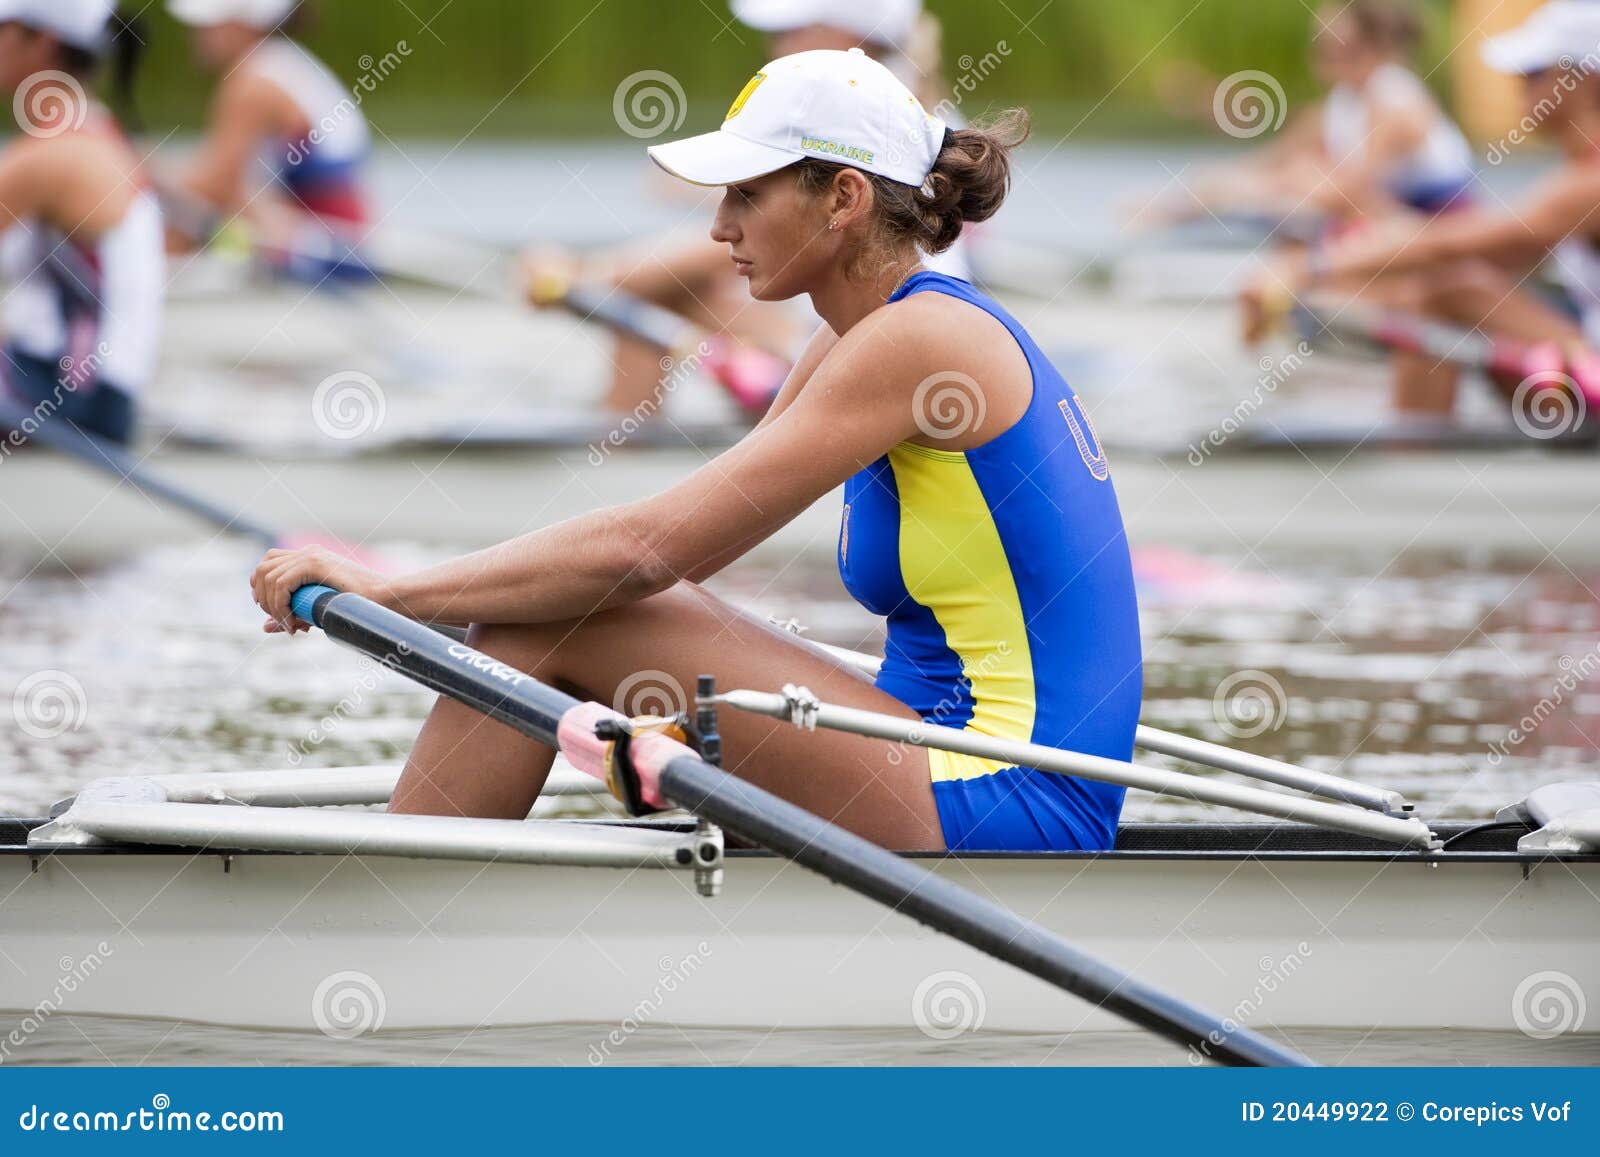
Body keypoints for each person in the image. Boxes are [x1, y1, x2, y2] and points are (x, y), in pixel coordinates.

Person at [251, 49, 1144, 853]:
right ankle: (420, 879)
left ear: (844, 199)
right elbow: (694, 541)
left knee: (561, 617)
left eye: (746, 195)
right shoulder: (854, 336)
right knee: (559, 611)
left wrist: (394, 592)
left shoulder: (922, 340)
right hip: (923, 737)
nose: (720, 227)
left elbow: (645, 555)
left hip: (1012, 786)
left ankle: (399, 908)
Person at [527, 0, 972, 418]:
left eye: (787, 32)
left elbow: (734, 245)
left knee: (661, 288)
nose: (774, 48)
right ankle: (624, 431)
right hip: (839, 330)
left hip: (869, 348)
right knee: (672, 286)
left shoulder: (861, 123)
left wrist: (576, 276)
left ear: (842, 34)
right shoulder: (910, 117)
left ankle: (620, 435)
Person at [1242, 0, 1600, 416]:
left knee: (1449, 293)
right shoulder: (1576, 173)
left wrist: (1309, 269)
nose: (1518, 83)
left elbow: (1447, 244)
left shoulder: (1587, 185)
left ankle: (1414, 444)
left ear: (1588, 80)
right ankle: (1421, 432)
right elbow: (1489, 254)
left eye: (1535, 72)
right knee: (1451, 288)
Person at [0, 0, 162, 447]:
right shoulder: (97, 128)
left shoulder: (54, 155)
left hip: (70, 402)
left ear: (43, 41)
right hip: (89, 392)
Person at [1154, 1, 1473, 227]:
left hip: (1438, 220)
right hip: (1386, 214)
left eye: (1335, 48)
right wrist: (1212, 189)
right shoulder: (1342, 100)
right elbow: (1273, 158)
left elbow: (1350, 191)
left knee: (1287, 190)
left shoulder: (1397, 101)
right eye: (1319, 46)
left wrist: (1279, 186)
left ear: (1373, 47)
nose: (1321, 58)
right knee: (1230, 183)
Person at [163, 0, 370, 261]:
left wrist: (137, 179)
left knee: (181, 213)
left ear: (243, 25)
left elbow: (211, 186)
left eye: (207, 26)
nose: (193, 34)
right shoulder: (279, 61)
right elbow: (223, 182)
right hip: (322, 233)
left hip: (329, 249)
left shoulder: (252, 84)